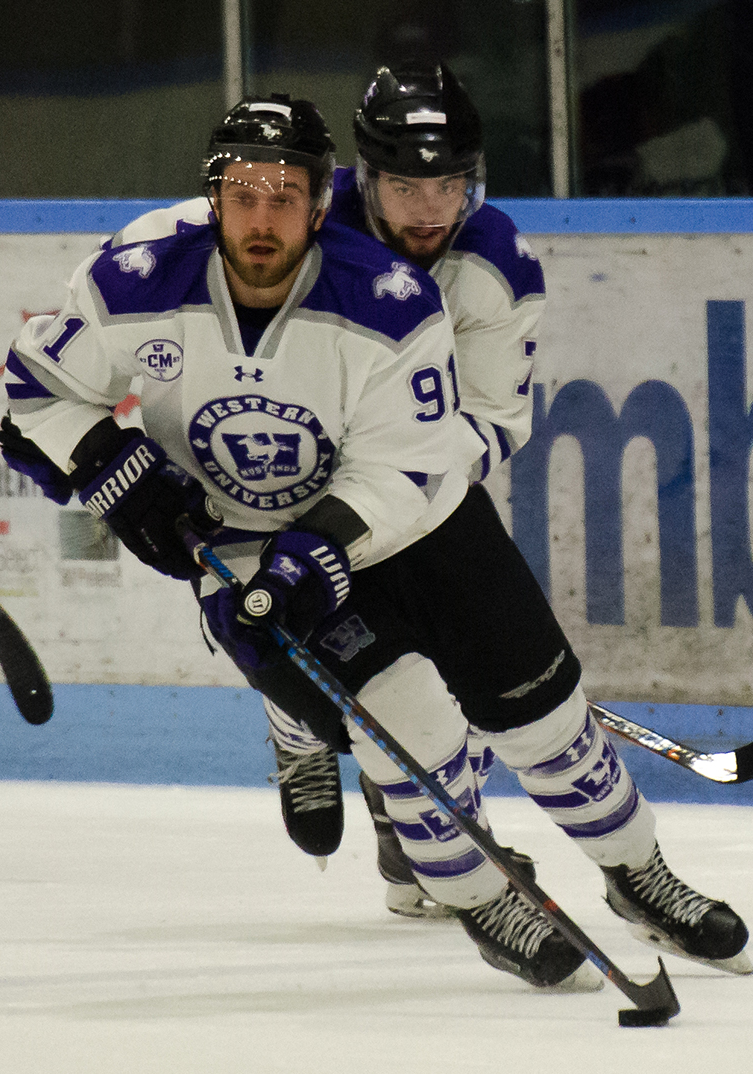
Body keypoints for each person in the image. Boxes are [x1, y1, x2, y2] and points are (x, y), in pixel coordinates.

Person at [0, 93, 751, 989]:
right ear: (213, 197)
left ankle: (638, 873)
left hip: (420, 530)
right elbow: (38, 389)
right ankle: (482, 900)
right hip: (247, 550)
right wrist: (107, 464)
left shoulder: (390, 301)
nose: (262, 219)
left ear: (323, 204)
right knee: (412, 726)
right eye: (243, 195)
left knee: (544, 716)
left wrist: (321, 541)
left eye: (285, 197)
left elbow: (412, 465)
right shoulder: (136, 276)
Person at [92, 63, 545, 923]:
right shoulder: (292, 216)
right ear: (362, 178)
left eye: (449, 183)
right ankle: (299, 725)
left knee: (437, 685)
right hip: (269, 473)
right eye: (405, 184)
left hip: (390, 489)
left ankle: (423, 844)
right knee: (328, 657)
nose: (429, 207)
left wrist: (401, 489)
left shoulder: (495, 263)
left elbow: (489, 420)